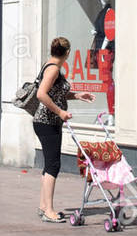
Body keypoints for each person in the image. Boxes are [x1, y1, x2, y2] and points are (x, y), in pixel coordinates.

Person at [32, 37, 96, 223]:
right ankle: (49, 211)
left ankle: (44, 206)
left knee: (49, 164)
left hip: (45, 122)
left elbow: (55, 92)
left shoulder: (49, 65)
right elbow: (41, 94)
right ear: (67, 53)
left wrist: (77, 95)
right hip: (47, 122)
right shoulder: (53, 69)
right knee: (53, 165)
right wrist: (60, 112)